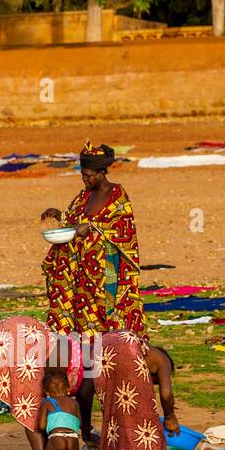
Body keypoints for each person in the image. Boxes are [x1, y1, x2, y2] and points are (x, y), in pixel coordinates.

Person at [40, 141, 145, 337]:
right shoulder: (84, 196)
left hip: (104, 270)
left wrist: (91, 228)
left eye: (88, 176)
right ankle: (78, 356)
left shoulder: (117, 196)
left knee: (102, 313)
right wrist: (58, 214)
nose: (84, 179)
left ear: (101, 173)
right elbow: (73, 221)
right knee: (79, 313)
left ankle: (108, 351)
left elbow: (124, 230)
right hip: (80, 268)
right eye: (82, 175)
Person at [78, 332, 178, 450]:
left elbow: (84, 394)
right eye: (155, 383)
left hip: (101, 345)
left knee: (114, 431)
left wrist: (86, 431)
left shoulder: (110, 351)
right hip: (126, 343)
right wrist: (169, 417)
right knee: (153, 438)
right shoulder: (162, 359)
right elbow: (166, 394)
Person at [0, 315, 83, 450]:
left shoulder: (64, 350)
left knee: (33, 412)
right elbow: (42, 423)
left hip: (11, 335)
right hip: (20, 339)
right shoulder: (75, 371)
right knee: (31, 415)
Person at [37, 369, 82, 450]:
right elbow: (80, 423)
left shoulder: (47, 403)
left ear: (47, 393)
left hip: (56, 438)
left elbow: (41, 426)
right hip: (73, 438)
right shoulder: (74, 403)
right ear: (68, 388)